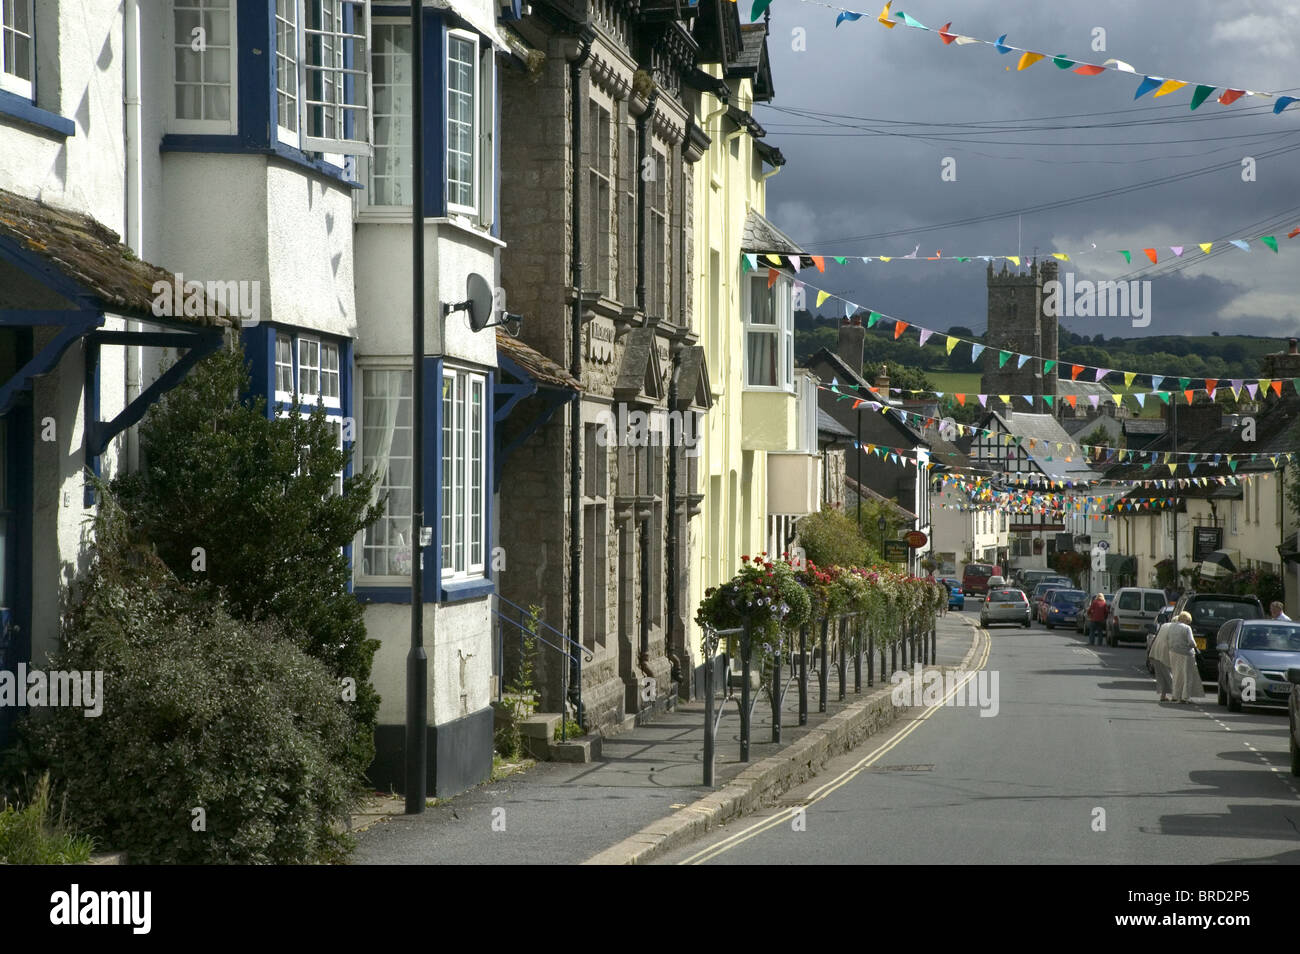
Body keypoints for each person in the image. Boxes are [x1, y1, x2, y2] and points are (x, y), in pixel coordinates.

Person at [1167, 611, 1204, 703]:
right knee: (1187, 676)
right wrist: (1195, 646)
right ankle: (1185, 697)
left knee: (1176, 674)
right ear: (1186, 620)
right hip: (1186, 654)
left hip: (1173, 652)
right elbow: (1191, 642)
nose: (1189, 623)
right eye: (1188, 621)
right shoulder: (1187, 628)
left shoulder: (1171, 627)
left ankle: (1175, 695)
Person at [1149, 619, 1174, 702]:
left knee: (1162, 676)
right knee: (1168, 675)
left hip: (1156, 653)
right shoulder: (1173, 628)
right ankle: (1177, 695)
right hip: (1164, 654)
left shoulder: (1164, 626)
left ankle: (1163, 696)